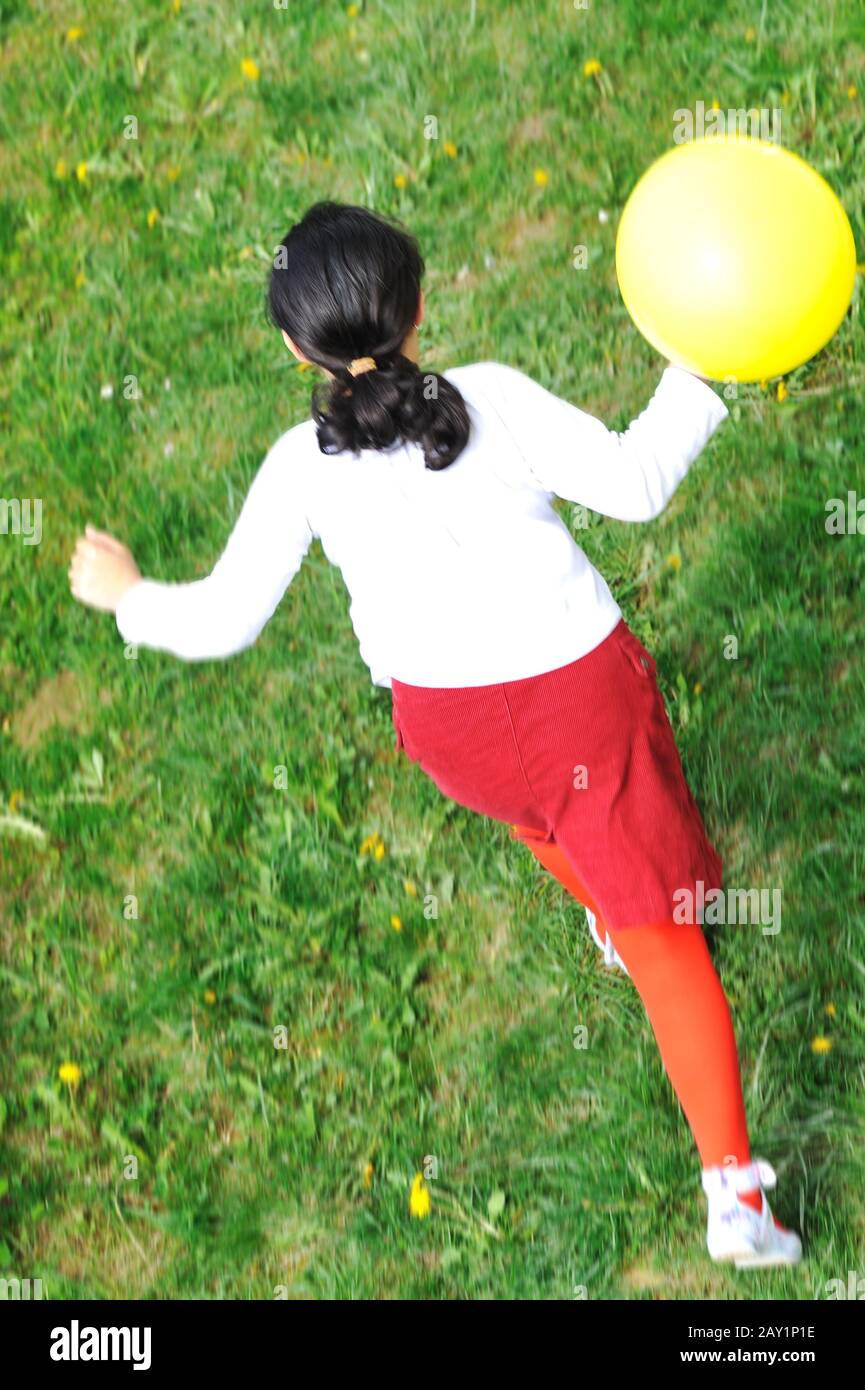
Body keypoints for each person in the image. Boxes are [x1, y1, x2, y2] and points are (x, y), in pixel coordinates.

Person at [68, 200, 801, 1267]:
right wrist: (695, 368)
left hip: (452, 734)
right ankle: (732, 1191)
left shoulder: (299, 464)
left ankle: (610, 903)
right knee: (667, 928)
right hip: (577, 701)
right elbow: (638, 487)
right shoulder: (491, 399)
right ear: (420, 304)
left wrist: (130, 595)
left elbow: (224, 620)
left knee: (548, 817)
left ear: (292, 347)